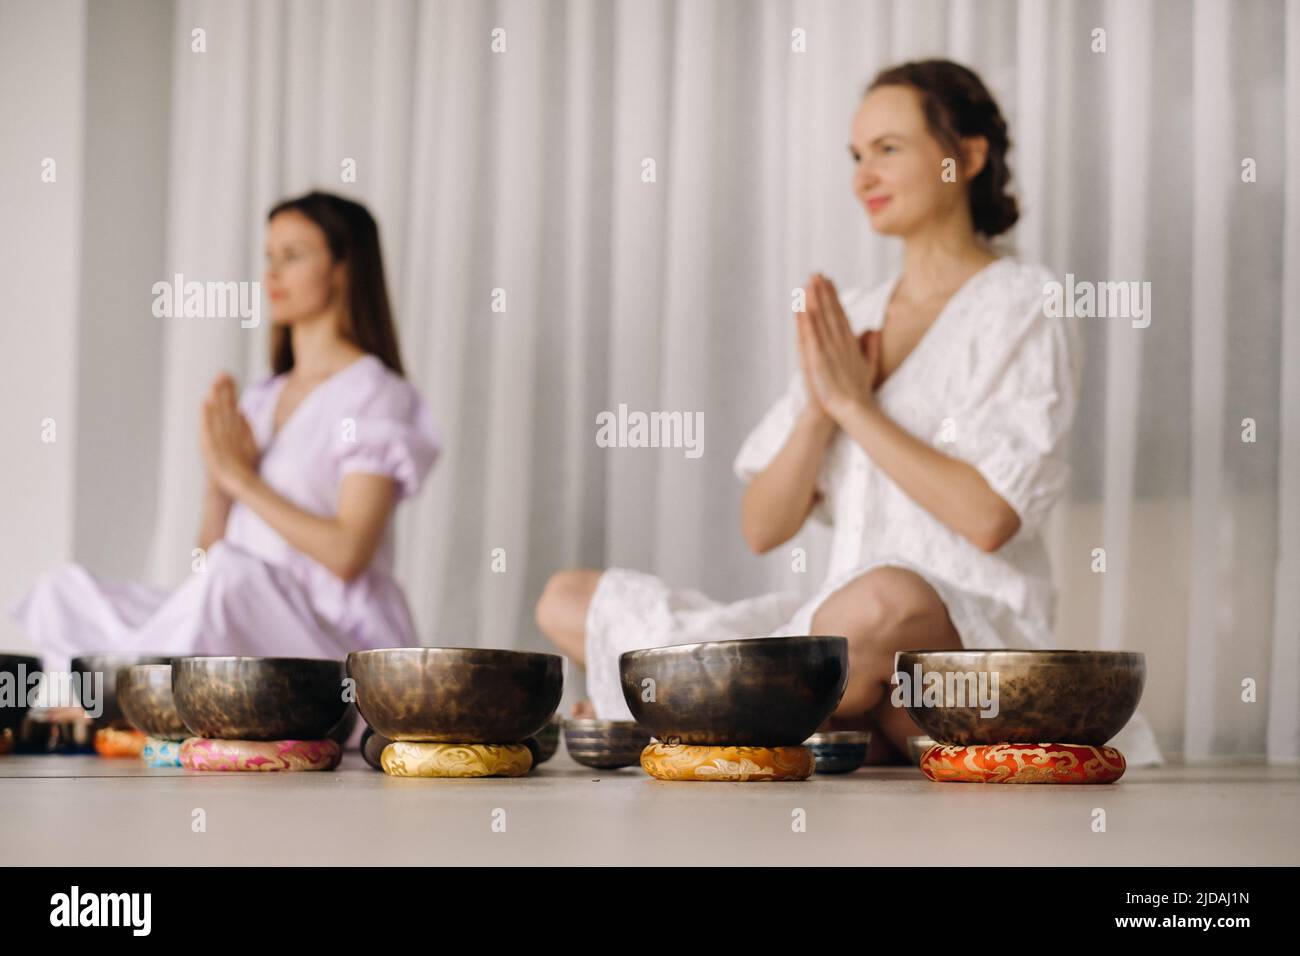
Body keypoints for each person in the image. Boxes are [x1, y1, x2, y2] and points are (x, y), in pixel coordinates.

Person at [535, 59, 1161, 766]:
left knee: (885, 599)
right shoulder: (854, 316)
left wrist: (856, 407)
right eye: (857, 155)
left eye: (889, 149)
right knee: (569, 596)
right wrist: (819, 412)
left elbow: (990, 520)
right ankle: (832, 714)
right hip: (839, 631)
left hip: (953, 636)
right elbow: (763, 525)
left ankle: (694, 715)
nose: (864, 175)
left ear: (969, 155)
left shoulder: (1026, 302)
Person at [10, 191, 440, 678]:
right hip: (246, 629)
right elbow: (207, 563)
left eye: (293, 256)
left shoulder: (376, 394)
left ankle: (119, 694)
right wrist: (217, 486)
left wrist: (241, 479)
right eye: (269, 257)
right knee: (64, 591)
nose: (272, 273)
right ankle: (125, 689)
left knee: (230, 577)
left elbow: (347, 556)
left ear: (344, 268)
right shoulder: (260, 398)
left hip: (335, 644)